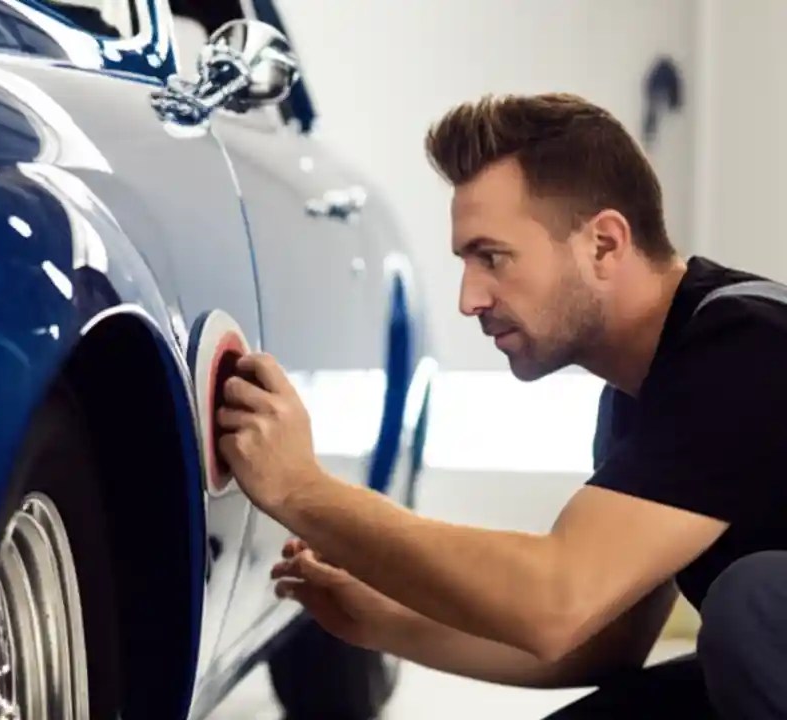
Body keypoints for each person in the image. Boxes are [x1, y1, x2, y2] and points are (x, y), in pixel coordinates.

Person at [215, 92, 787, 719]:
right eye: (465, 261)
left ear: (603, 244)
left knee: (752, 604)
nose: (470, 298)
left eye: (493, 257)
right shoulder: (640, 398)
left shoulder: (746, 347)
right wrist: (385, 622)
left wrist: (303, 490)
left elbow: (555, 596)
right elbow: (599, 639)